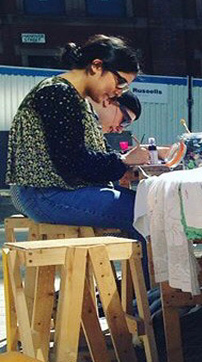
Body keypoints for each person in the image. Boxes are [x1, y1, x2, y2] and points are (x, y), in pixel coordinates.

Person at [6, 35, 150, 232]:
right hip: (45, 195)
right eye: (121, 82)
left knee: (144, 207)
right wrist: (123, 162)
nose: (119, 92)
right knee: (146, 212)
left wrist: (122, 165)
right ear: (96, 66)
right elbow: (74, 163)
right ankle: (159, 263)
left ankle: (149, 262)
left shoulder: (75, 97)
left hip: (49, 192)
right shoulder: (58, 93)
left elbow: (89, 158)